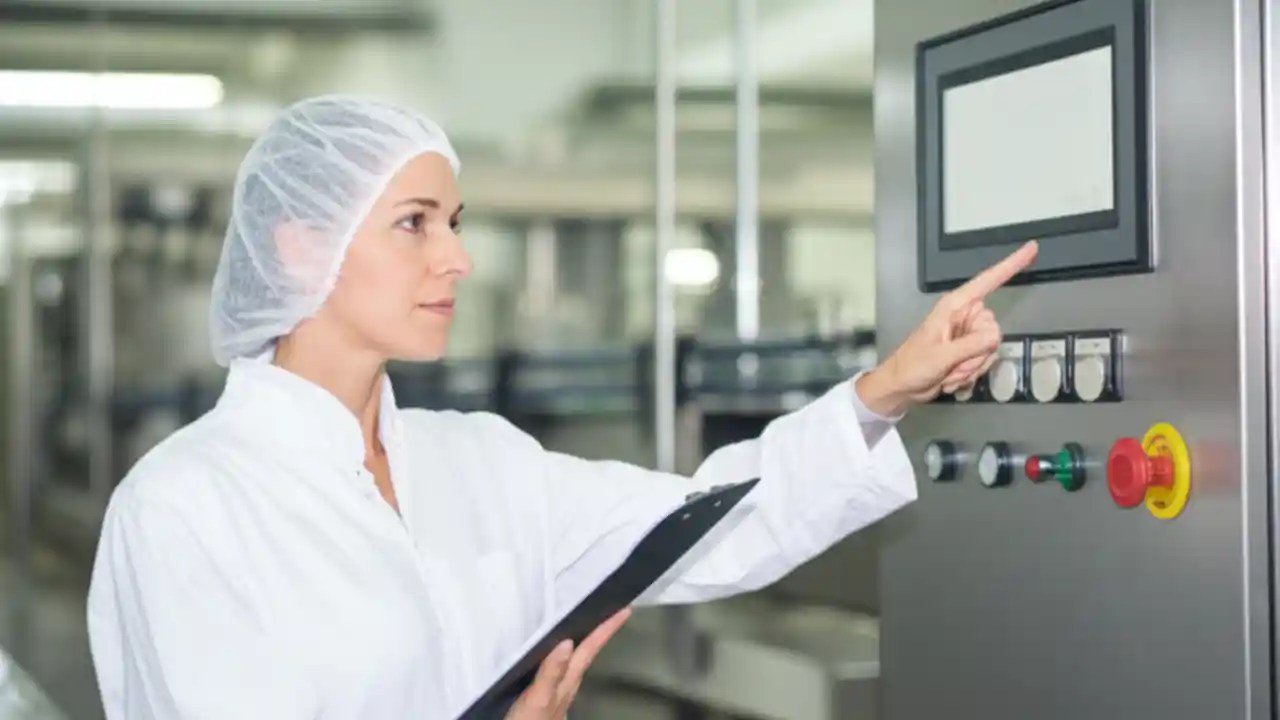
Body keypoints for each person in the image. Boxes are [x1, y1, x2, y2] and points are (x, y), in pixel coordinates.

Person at [86, 95, 1037, 720]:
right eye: (413, 223)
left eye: (453, 226)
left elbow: (707, 523)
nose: (456, 259)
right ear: (299, 247)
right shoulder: (183, 509)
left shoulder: (478, 462)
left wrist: (884, 390)